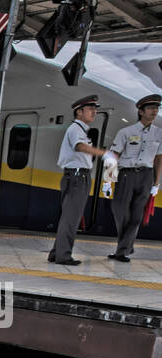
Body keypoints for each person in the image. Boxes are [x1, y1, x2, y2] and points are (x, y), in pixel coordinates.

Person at [49, 95, 114, 265]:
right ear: (79, 112)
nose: (95, 112)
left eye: (95, 109)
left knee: (69, 218)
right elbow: (79, 146)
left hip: (78, 177)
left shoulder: (80, 129)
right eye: (91, 109)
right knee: (71, 219)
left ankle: (56, 253)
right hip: (77, 177)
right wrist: (103, 153)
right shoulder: (76, 129)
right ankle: (63, 256)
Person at [104, 93, 162, 263]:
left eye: (156, 108)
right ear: (141, 111)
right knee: (120, 211)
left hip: (146, 176)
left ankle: (122, 251)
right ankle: (126, 246)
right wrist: (108, 181)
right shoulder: (126, 132)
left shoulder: (159, 133)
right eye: (151, 108)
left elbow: (159, 159)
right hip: (126, 175)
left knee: (137, 216)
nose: (154, 111)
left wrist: (156, 183)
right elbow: (113, 156)